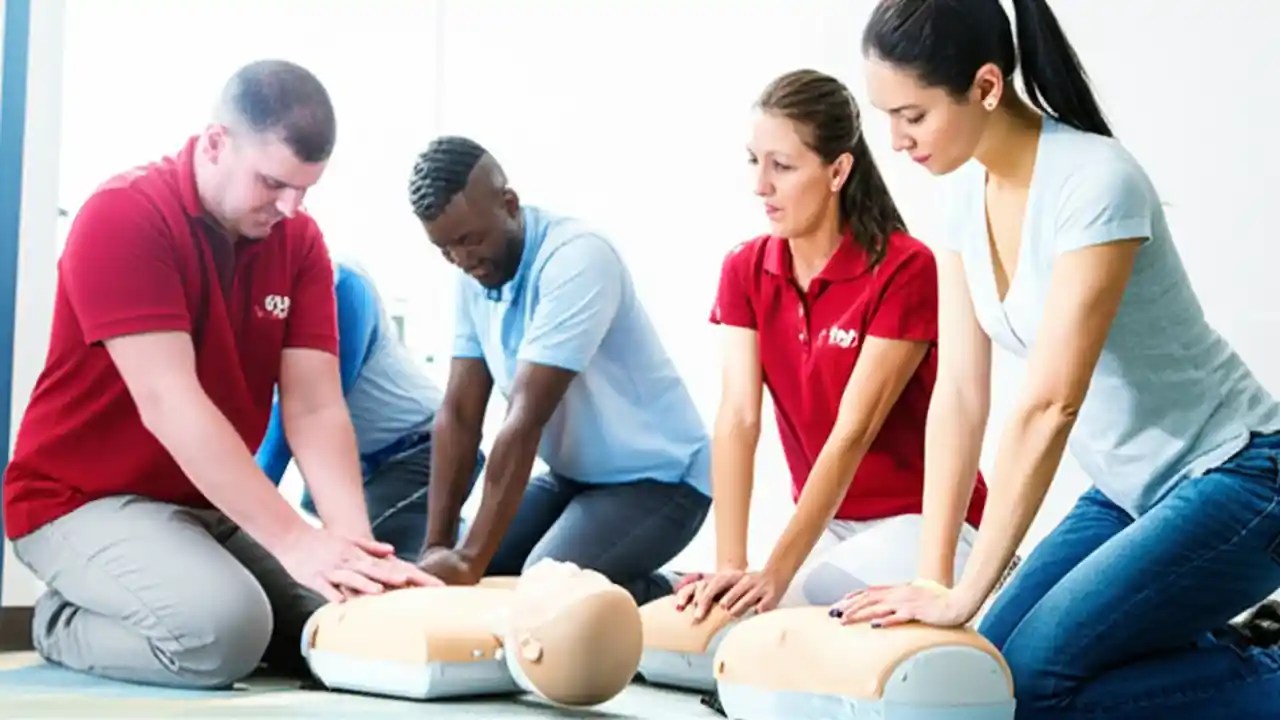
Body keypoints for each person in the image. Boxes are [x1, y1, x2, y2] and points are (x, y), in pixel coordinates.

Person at [835, 1, 1280, 718]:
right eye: (885, 116)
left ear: (984, 87)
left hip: (1243, 477)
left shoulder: (1095, 182)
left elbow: (1050, 404)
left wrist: (971, 591)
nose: (895, 141)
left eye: (912, 116)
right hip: (1129, 492)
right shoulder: (958, 199)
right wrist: (934, 579)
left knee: (1039, 687)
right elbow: (958, 396)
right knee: (996, 675)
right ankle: (1221, 651)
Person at [1, 60, 435, 690]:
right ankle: (60, 622)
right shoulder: (123, 216)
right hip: (78, 501)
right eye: (272, 183)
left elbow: (315, 408)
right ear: (214, 143)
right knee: (225, 633)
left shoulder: (301, 242)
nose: (290, 207)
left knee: (336, 629)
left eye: (305, 189)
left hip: (203, 505)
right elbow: (169, 402)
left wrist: (350, 548)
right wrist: (294, 541)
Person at [674, 69, 987, 622]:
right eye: (755, 161)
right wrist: (733, 564)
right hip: (832, 528)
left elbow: (853, 431)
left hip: (924, 525)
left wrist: (776, 572)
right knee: (722, 621)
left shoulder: (905, 268)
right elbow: (738, 418)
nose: (760, 185)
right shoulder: (745, 269)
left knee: (799, 612)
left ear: (839, 170)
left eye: (783, 166)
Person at [406, 135, 712, 606]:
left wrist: (467, 560)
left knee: (545, 586)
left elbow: (526, 419)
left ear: (509, 204)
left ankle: (676, 590)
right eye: (446, 249)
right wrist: (438, 548)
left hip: (660, 482)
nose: (463, 260)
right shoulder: (473, 274)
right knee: (482, 562)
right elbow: (460, 414)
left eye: (470, 240)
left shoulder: (577, 259)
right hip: (575, 479)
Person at [256, 260, 482, 561]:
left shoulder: (343, 286)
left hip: (422, 451)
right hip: (364, 463)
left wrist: (231, 516)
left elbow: (305, 410)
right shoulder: (252, 306)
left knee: (365, 556)